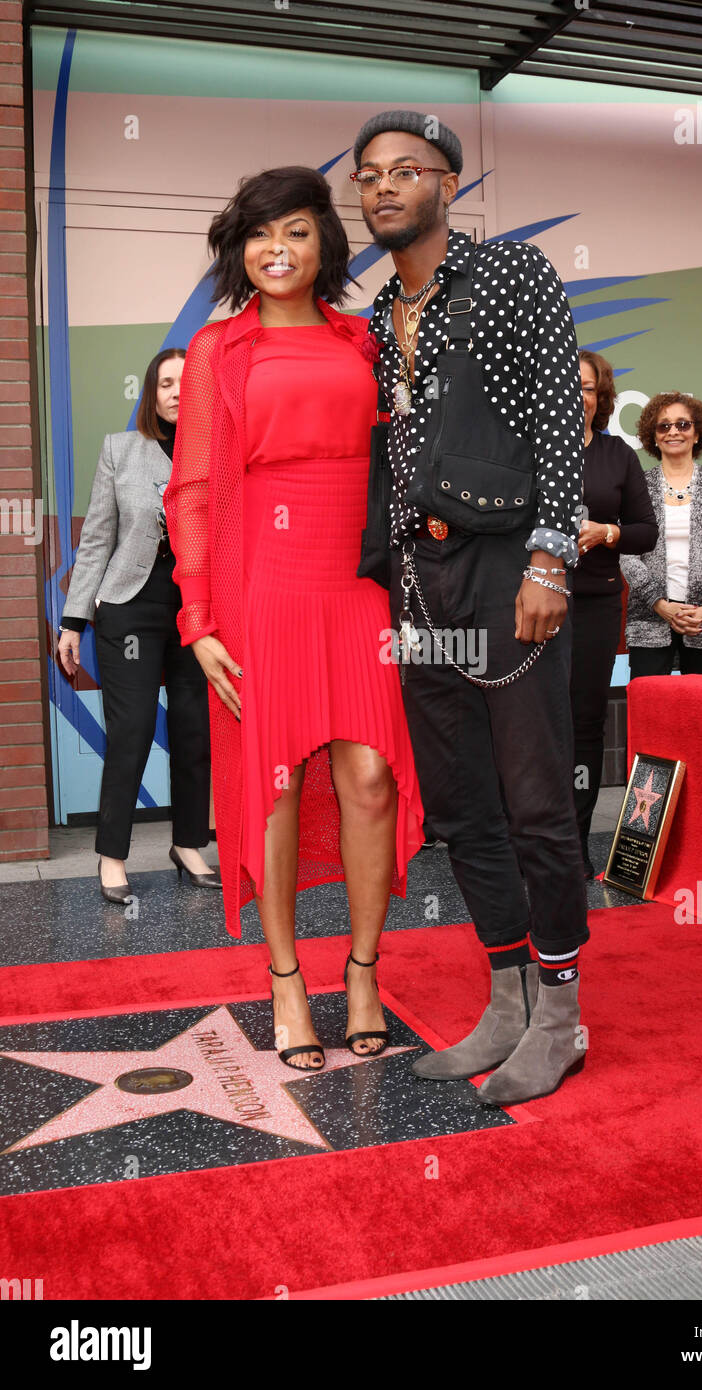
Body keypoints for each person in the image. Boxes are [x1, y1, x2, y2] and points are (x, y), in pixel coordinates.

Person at [164, 167, 424, 1072]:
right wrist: (198, 618)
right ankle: (284, 980)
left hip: (357, 589)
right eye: (261, 234)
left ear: (326, 246)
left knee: (370, 781)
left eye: (298, 232)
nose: (278, 249)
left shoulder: (363, 341)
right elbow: (193, 490)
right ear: (240, 249)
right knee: (272, 789)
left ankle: (360, 971)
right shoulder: (217, 350)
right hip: (262, 590)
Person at [352, 109, 587, 1106]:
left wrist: (550, 557)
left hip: (507, 569)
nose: (383, 188)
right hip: (419, 579)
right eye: (367, 175)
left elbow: (553, 415)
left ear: (449, 183)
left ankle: (563, 1015)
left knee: (536, 799)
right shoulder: (372, 316)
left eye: (407, 170)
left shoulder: (514, 274)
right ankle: (504, 994)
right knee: (458, 805)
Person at [58, 349, 217, 905]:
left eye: (187, 384)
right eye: (166, 383)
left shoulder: (218, 455)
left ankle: (190, 844)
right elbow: (97, 539)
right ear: (151, 393)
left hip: (199, 615)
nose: (177, 392)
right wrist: (73, 621)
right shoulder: (121, 451)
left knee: (196, 733)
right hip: (130, 610)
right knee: (130, 734)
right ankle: (112, 855)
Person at [571, 351, 657, 879]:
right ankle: (530, 842)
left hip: (597, 601)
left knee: (585, 723)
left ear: (601, 399)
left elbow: (644, 531)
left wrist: (607, 532)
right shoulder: (528, 449)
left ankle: (575, 846)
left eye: (588, 388)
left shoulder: (616, 454)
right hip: (528, 600)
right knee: (531, 725)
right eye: (569, 385)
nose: (578, 395)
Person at [620, 392, 702, 676]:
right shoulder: (637, 484)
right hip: (649, 619)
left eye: (683, 424)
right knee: (650, 710)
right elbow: (628, 554)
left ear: (698, 434)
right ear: (653, 436)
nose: (673, 431)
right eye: (664, 426)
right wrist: (660, 605)